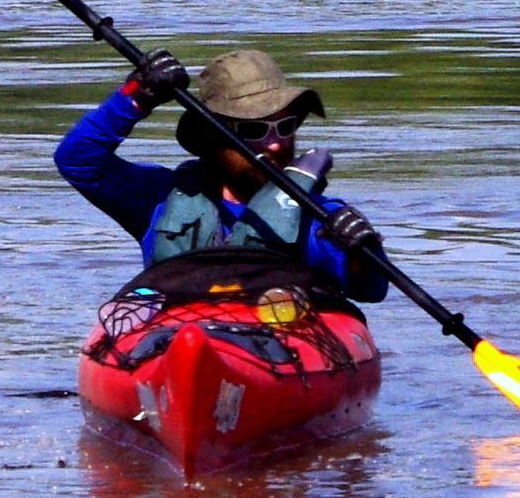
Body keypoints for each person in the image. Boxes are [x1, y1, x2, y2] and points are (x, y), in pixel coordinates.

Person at [54, 45, 392, 304]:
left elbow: (370, 289)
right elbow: (77, 160)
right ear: (209, 136)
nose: (275, 145)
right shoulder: (155, 199)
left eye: (284, 127)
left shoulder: (318, 218)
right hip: (180, 343)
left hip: (276, 355)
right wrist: (136, 97)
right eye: (255, 129)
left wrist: (363, 253)